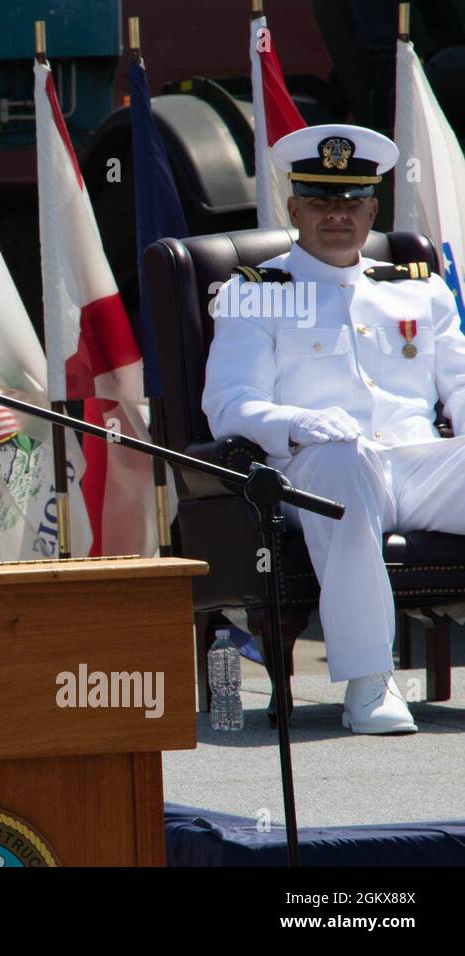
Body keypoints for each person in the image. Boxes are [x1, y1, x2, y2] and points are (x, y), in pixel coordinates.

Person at [203, 123, 465, 735]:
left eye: (351, 202)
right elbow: (229, 404)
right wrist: (297, 422)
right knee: (345, 464)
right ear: (294, 209)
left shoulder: (419, 292)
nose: (337, 215)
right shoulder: (255, 292)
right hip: (316, 470)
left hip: (414, 465)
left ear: (373, 209)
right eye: (320, 201)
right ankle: (371, 684)